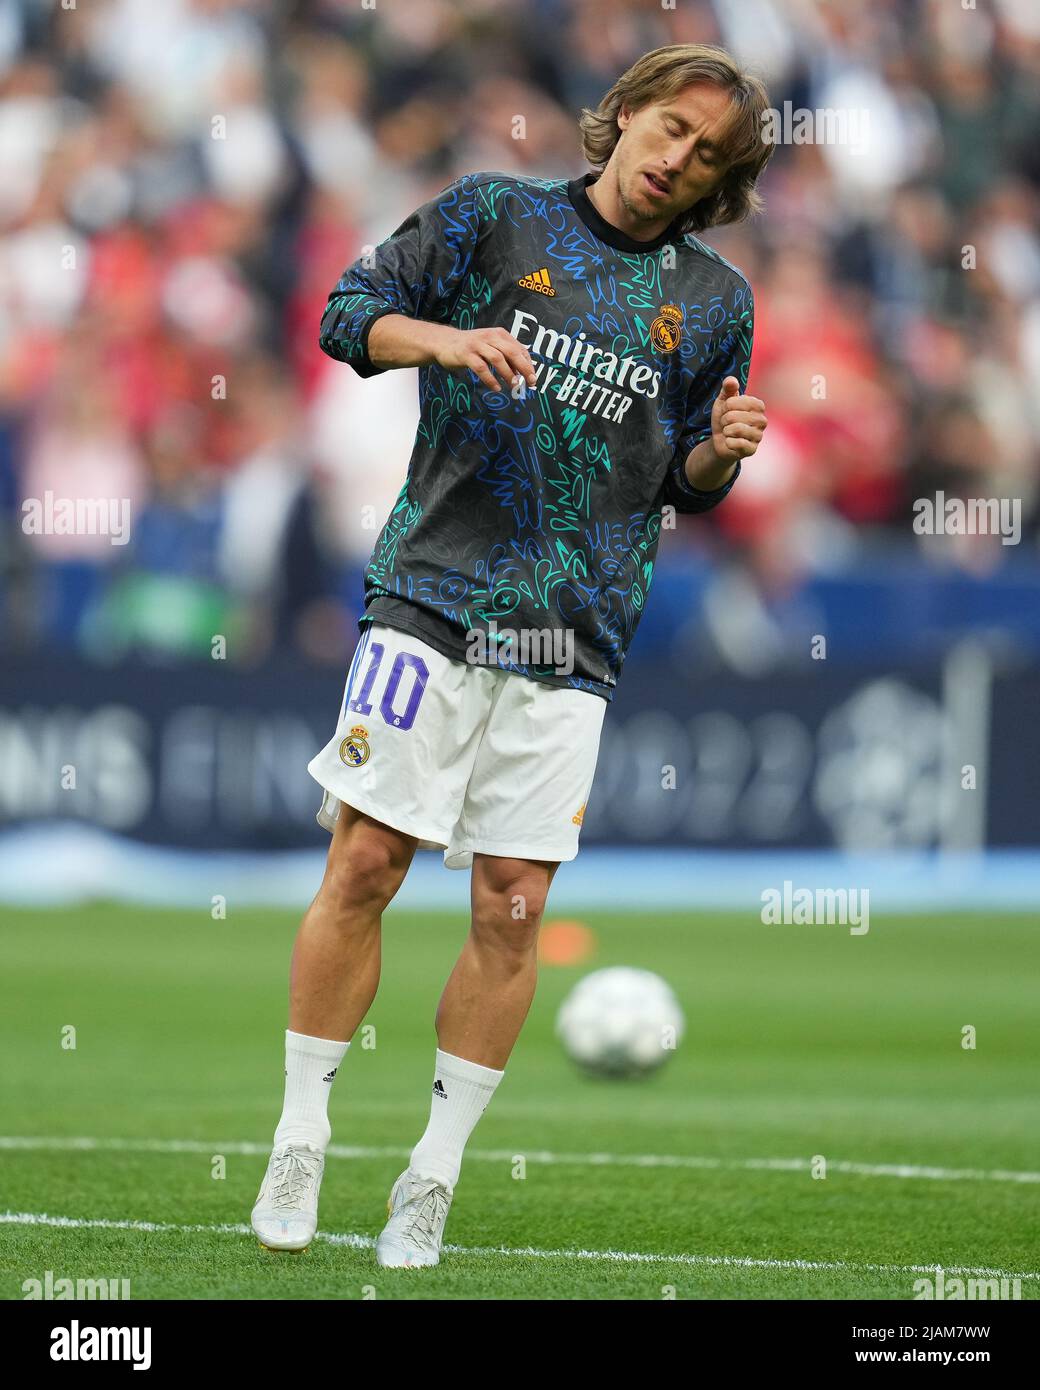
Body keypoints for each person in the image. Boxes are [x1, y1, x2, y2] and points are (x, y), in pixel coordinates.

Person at [251, 43, 772, 1268]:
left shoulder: (715, 301)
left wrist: (719, 452)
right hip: (431, 593)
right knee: (365, 859)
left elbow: (679, 479)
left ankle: (430, 1177)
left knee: (510, 905)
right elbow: (343, 316)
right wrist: (441, 341)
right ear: (625, 113)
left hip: (574, 632)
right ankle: (300, 1134)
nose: (677, 159)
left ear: (720, 183)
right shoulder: (494, 213)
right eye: (670, 127)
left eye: (708, 155)